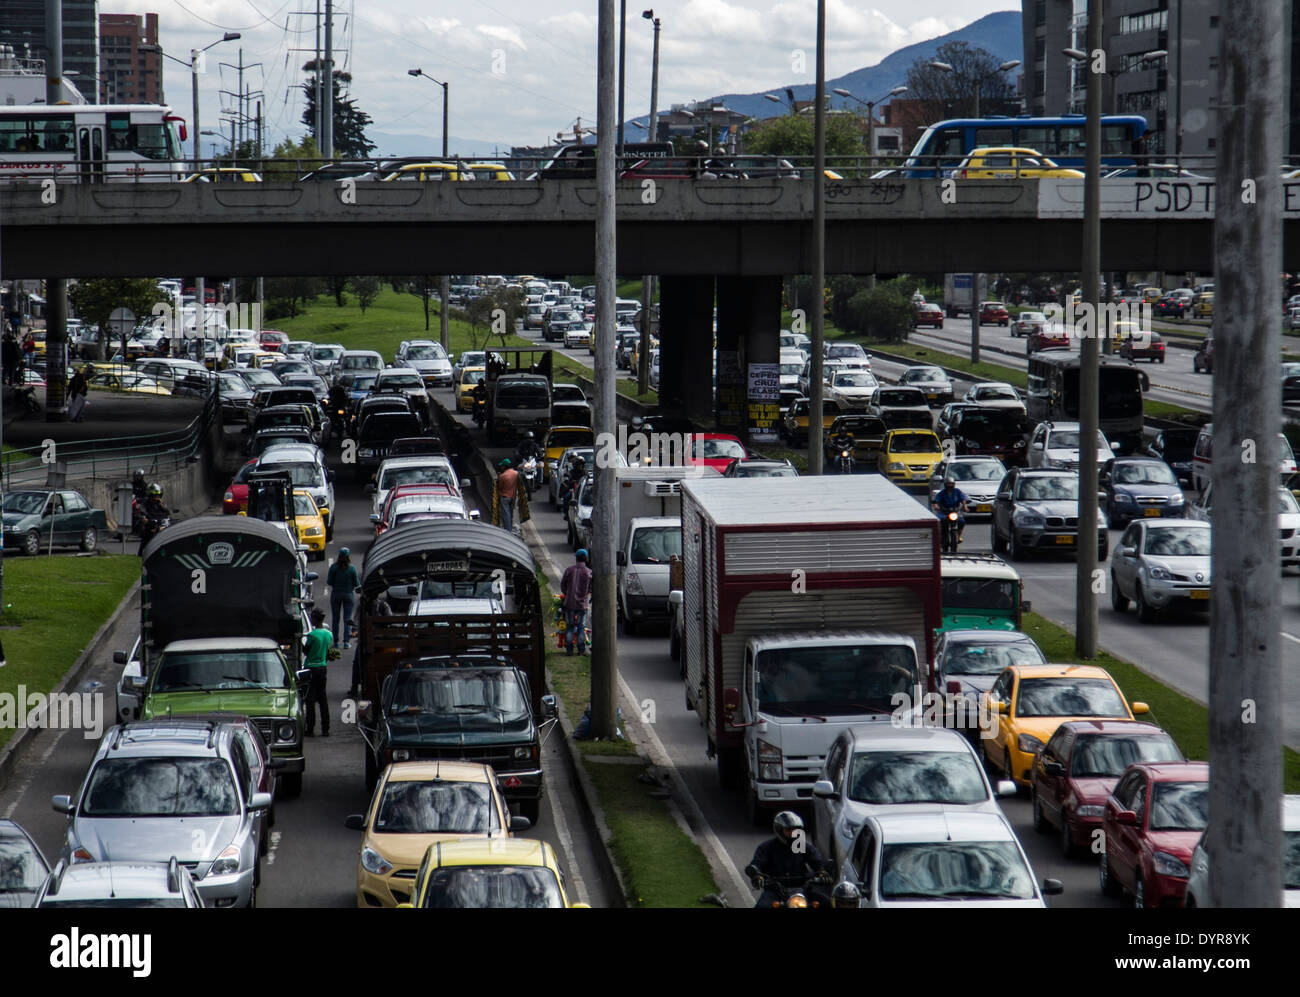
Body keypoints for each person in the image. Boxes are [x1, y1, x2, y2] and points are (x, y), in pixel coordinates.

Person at [745, 811, 833, 909]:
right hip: (775, 891)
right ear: (779, 830)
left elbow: (817, 861)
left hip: (802, 890)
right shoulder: (766, 847)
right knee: (762, 906)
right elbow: (756, 864)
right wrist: (757, 875)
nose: (793, 833)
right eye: (789, 830)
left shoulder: (804, 846)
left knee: (828, 903)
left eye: (796, 830)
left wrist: (822, 872)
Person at [302, 608, 332, 736]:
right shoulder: (328, 634)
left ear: (314, 619)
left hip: (311, 668)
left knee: (310, 699)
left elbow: (306, 651)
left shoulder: (312, 635)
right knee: (322, 698)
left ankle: (310, 728)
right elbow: (327, 651)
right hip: (322, 668)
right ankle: (325, 728)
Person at [560, 549, 593, 655]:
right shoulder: (589, 573)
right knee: (581, 627)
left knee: (569, 626)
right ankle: (581, 649)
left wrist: (567, 593)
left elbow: (563, 585)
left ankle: (569, 650)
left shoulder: (569, 570)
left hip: (569, 603)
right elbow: (591, 588)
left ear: (576, 558)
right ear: (586, 559)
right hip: (582, 604)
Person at [327, 547, 360, 649]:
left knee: (335, 619)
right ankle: (346, 642)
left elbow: (329, 582)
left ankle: (336, 642)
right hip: (348, 595)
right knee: (347, 619)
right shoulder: (352, 568)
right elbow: (357, 583)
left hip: (336, 594)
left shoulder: (333, 567)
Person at [932, 476, 969, 544]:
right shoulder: (942, 493)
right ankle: (939, 537)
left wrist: (965, 506)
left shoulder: (957, 491)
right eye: (948, 484)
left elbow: (963, 499)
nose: (950, 485)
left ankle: (958, 536)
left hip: (955, 512)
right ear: (945, 484)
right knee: (938, 522)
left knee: (962, 521)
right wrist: (936, 506)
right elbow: (936, 501)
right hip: (944, 512)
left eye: (951, 484)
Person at [137, 483, 169, 556]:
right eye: (154, 496)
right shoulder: (145, 503)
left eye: (158, 496)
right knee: (146, 538)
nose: (156, 498)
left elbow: (167, 512)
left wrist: (161, 505)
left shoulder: (161, 504)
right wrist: (144, 518)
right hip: (150, 526)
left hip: (161, 526)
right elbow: (142, 511)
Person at [493, 458, 521, 532]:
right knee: (510, 514)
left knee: (506, 515)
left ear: (504, 466)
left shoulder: (503, 476)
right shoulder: (516, 473)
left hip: (505, 497)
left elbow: (500, 487)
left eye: (502, 466)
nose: (501, 467)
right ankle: (510, 528)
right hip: (513, 497)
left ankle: (508, 531)